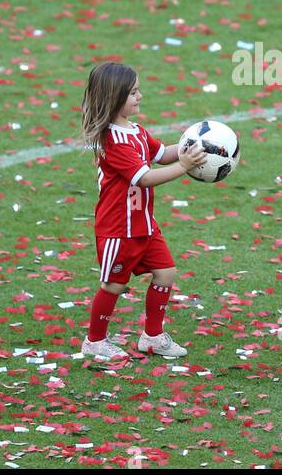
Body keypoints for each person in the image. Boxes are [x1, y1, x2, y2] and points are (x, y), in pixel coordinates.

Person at [79, 61, 207, 361]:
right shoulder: (113, 141)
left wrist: (196, 144)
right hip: (118, 229)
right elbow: (145, 177)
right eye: (133, 92)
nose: (140, 97)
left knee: (165, 272)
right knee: (114, 284)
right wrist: (185, 166)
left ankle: (152, 337)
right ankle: (95, 342)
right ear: (115, 97)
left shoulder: (135, 131)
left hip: (143, 224)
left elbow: (162, 154)